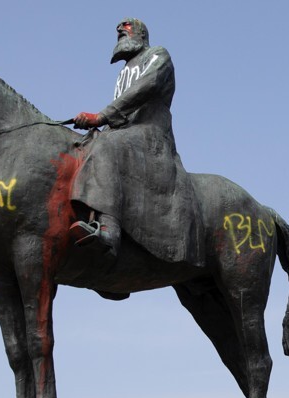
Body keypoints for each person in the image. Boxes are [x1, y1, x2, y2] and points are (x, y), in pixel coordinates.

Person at [70, 18, 203, 267]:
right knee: (86, 144)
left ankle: (109, 231)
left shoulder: (157, 55)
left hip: (150, 133)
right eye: (119, 29)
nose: (120, 30)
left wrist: (101, 116)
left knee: (105, 146)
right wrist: (97, 125)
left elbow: (147, 86)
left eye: (126, 26)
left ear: (141, 34)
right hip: (123, 134)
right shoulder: (123, 72)